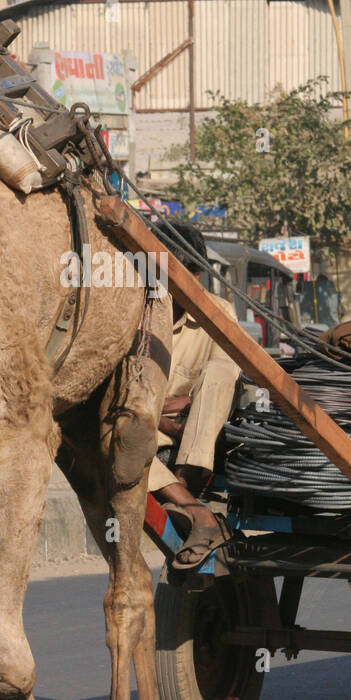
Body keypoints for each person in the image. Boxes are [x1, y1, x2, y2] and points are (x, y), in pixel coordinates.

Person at [148, 223, 241, 570]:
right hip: (144, 433)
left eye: (186, 275)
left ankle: (186, 483)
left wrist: (171, 412)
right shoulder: (137, 315)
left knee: (219, 371)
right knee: (113, 443)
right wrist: (160, 416)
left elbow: (223, 380)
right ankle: (199, 513)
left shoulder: (218, 312)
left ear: (198, 275)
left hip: (196, 438)